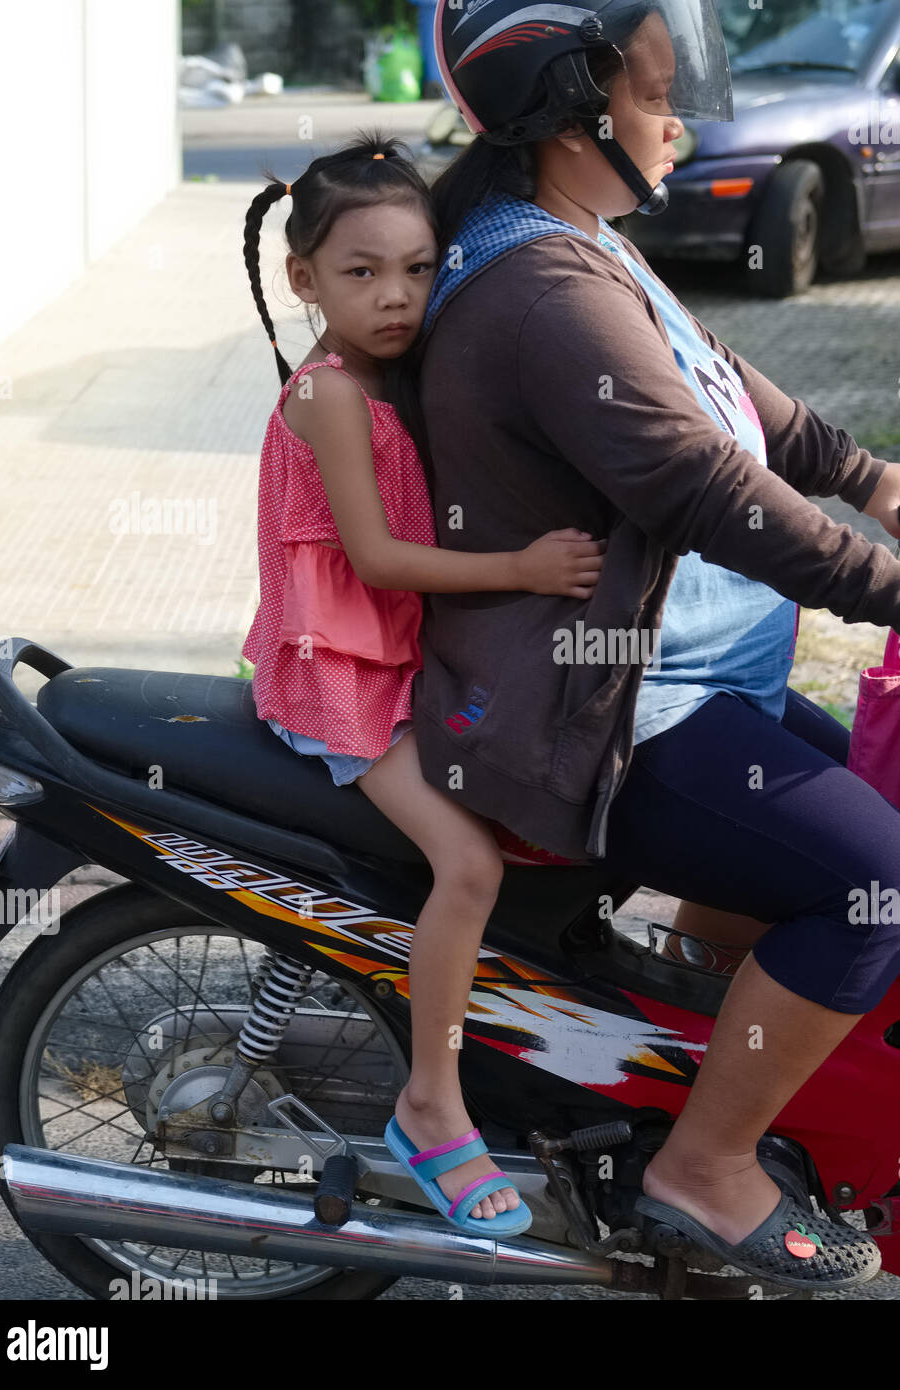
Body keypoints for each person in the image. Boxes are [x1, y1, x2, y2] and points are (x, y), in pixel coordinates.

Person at [412, 0, 900, 1289]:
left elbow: (736, 399)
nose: (685, 123)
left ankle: (685, 1062)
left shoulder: (585, 246)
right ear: (575, 114)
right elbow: (696, 481)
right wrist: (899, 592)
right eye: (659, 98)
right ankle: (703, 1165)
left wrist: (880, 477)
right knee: (880, 879)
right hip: (605, 717)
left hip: (680, 686)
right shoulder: (539, 287)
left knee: (890, 814)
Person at [238, 132, 610, 1234]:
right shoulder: (331, 397)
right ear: (304, 281)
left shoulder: (397, 369)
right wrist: (525, 569)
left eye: (414, 268)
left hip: (406, 658)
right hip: (340, 680)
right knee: (467, 863)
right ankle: (430, 1105)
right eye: (360, 274)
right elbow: (379, 559)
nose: (394, 295)